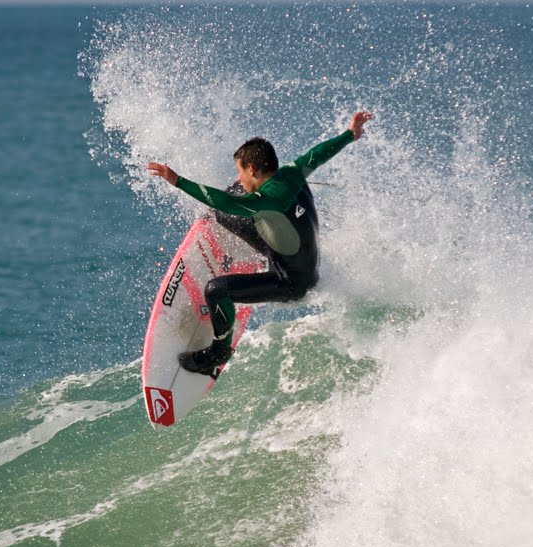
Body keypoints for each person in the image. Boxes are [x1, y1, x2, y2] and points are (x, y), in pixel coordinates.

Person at [147, 110, 373, 375]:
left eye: (240, 171)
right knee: (229, 205)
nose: (240, 176)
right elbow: (318, 154)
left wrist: (177, 181)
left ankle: (219, 351)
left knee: (216, 289)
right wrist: (349, 134)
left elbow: (226, 201)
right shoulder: (292, 171)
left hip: (291, 282)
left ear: (252, 169)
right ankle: (255, 242)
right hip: (295, 253)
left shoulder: (266, 201)